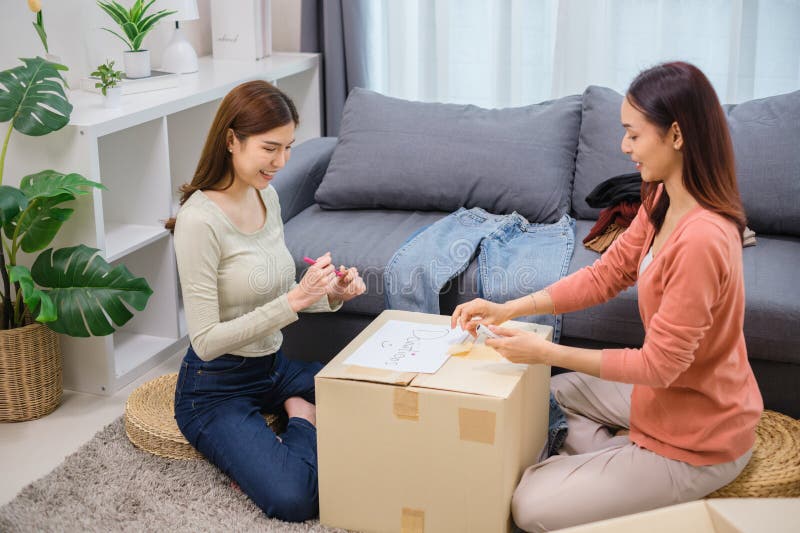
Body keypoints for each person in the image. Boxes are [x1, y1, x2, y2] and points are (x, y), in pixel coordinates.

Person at [452, 62, 763, 532]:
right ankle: (619, 455)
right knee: (536, 400)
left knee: (529, 507)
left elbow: (660, 365)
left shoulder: (703, 238)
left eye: (633, 135)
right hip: (661, 400)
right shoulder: (661, 198)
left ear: (676, 135)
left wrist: (546, 351)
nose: (625, 147)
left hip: (700, 439)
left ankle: (625, 460)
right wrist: (510, 307)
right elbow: (607, 274)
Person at [165, 80, 366, 522]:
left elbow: (275, 293)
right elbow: (205, 340)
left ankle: (294, 406)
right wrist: (294, 301)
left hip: (273, 365)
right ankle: (302, 417)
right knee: (294, 499)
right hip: (216, 386)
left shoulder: (266, 195)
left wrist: (328, 294)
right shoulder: (199, 222)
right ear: (231, 140)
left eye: (289, 147)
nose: (282, 162)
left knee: (376, 414)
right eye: (270, 148)